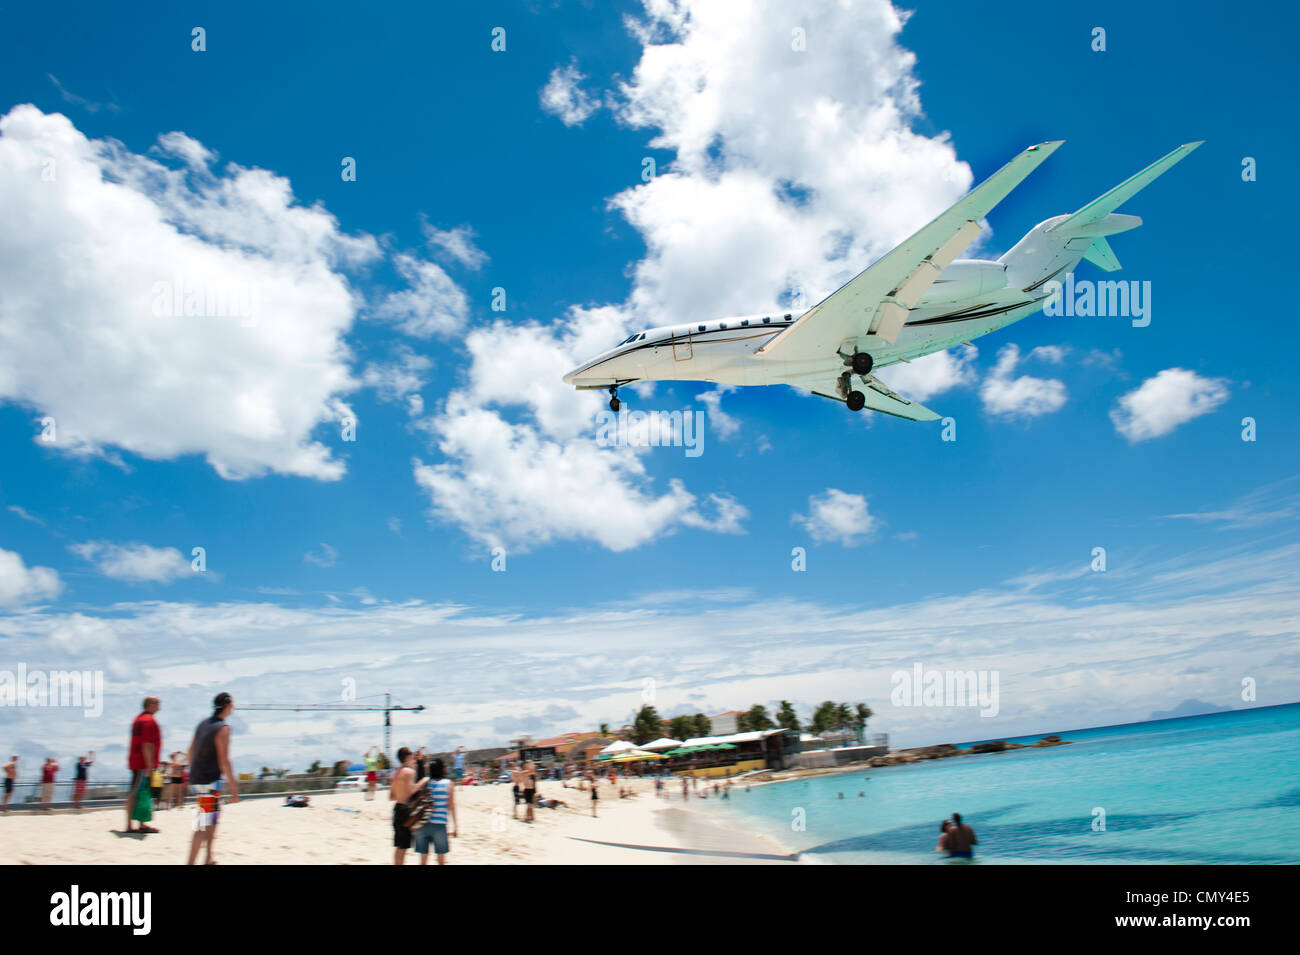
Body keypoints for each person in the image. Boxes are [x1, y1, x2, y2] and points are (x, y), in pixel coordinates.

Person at [186, 692, 239, 865]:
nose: (234, 707)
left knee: (212, 817)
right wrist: (233, 787)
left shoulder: (203, 724)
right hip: (209, 780)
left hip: (198, 777)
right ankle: (191, 862)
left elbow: (190, 752)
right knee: (203, 823)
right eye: (232, 703)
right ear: (227, 705)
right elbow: (225, 760)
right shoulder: (223, 728)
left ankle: (208, 856)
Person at [126, 696, 162, 834]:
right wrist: (149, 766)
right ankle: (130, 825)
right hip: (142, 763)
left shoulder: (139, 719)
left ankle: (142, 824)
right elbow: (147, 745)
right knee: (135, 793)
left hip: (137, 761)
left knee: (142, 793)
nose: (159, 704)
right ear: (150, 704)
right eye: (157, 702)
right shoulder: (148, 721)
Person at [414, 758, 458, 865]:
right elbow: (451, 806)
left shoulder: (425, 781)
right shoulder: (448, 783)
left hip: (422, 824)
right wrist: (456, 826)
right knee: (441, 860)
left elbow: (412, 792)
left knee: (423, 861)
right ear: (442, 769)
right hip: (439, 825)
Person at [389, 747, 425, 865]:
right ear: (407, 757)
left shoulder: (396, 773)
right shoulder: (409, 772)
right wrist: (423, 781)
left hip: (397, 808)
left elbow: (391, 796)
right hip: (405, 809)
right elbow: (411, 791)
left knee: (399, 846)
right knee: (404, 846)